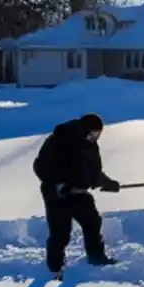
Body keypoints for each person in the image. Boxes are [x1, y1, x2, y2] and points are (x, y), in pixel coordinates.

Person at [33, 113, 122, 277]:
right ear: (85, 129)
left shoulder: (91, 145)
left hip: (79, 192)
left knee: (92, 222)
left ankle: (96, 257)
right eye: (94, 133)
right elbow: (40, 166)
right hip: (57, 194)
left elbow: (93, 170)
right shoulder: (60, 140)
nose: (96, 137)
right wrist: (59, 185)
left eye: (98, 134)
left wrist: (106, 182)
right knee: (60, 232)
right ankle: (55, 269)